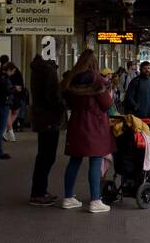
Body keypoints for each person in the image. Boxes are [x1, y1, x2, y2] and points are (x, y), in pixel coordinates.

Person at [59, 49, 114, 213]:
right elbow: (107, 104)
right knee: (96, 161)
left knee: (74, 161)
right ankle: (95, 200)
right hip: (94, 125)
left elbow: (67, 101)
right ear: (93, 62)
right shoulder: (97, 80)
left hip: (76, 123)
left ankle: (68, 198)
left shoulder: (70, 79)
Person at [28, 50, 64, 206]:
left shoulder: (37, 69)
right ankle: (38, 193)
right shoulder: (48, 71)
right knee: (47, 157)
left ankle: (40, 190)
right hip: (49, 119)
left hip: (42, 118)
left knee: (43, 156)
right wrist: (62, 105)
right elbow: (52, 96)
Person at [0, 61, 16, 159]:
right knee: (0, 129)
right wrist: (14, 89)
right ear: (9, 70)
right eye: (13, 71)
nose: (13, 73)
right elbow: (7, 90)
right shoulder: (4, 78)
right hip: (3, 104)